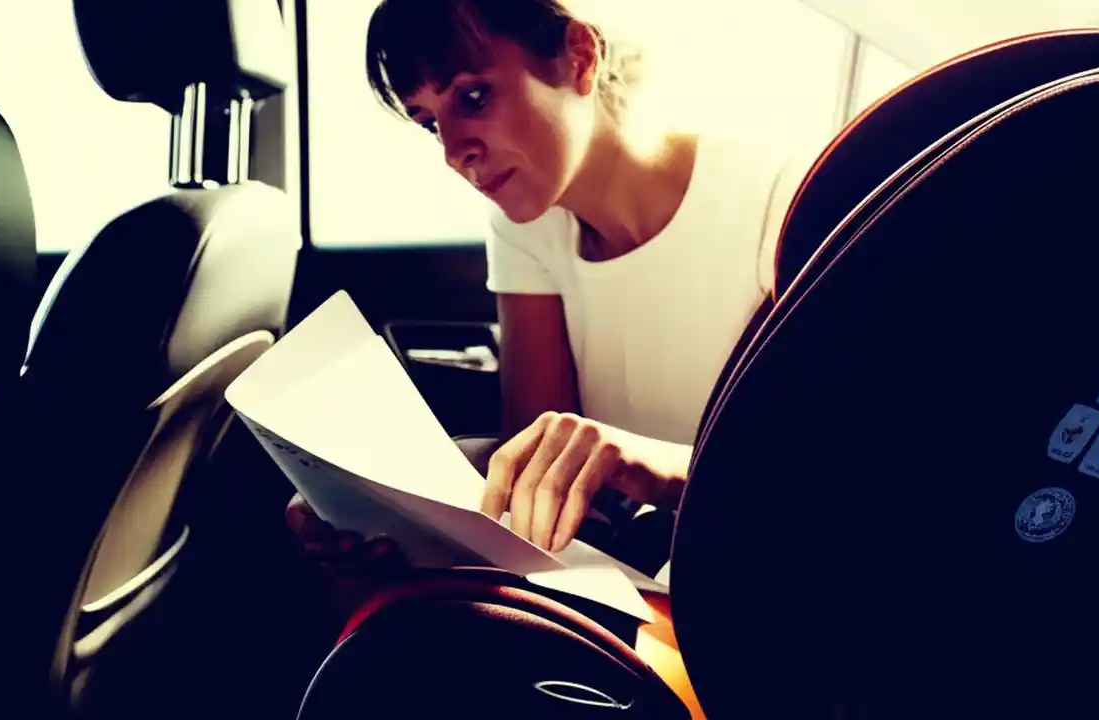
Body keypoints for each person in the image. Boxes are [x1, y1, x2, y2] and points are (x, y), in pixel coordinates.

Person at [287, 0, 814, 597]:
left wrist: (644, 465)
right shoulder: (525, 225)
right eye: (430, 122)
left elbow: (813, 474)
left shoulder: (779, 197)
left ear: (580, 57)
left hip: (758, 576)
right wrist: (372, 498)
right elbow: (534, 453)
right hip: (627, 574)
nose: (453, 150)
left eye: (473, 97)